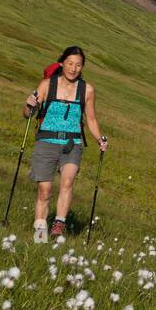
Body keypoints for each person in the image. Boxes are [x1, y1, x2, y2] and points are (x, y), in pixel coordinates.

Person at [23, 46, 108, 238]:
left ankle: (59, 224)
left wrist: (99, 139)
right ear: (62, 63)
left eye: (78, 65)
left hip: (73, 143)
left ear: (82, 67)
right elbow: (28, 114)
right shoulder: (47, 85)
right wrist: (29, 105)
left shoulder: (87, 90)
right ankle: (39, 237)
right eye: (70, 63)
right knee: (45, 191)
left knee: (67, 181)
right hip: (46, 141)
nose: (73, 68)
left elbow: (91, 119)